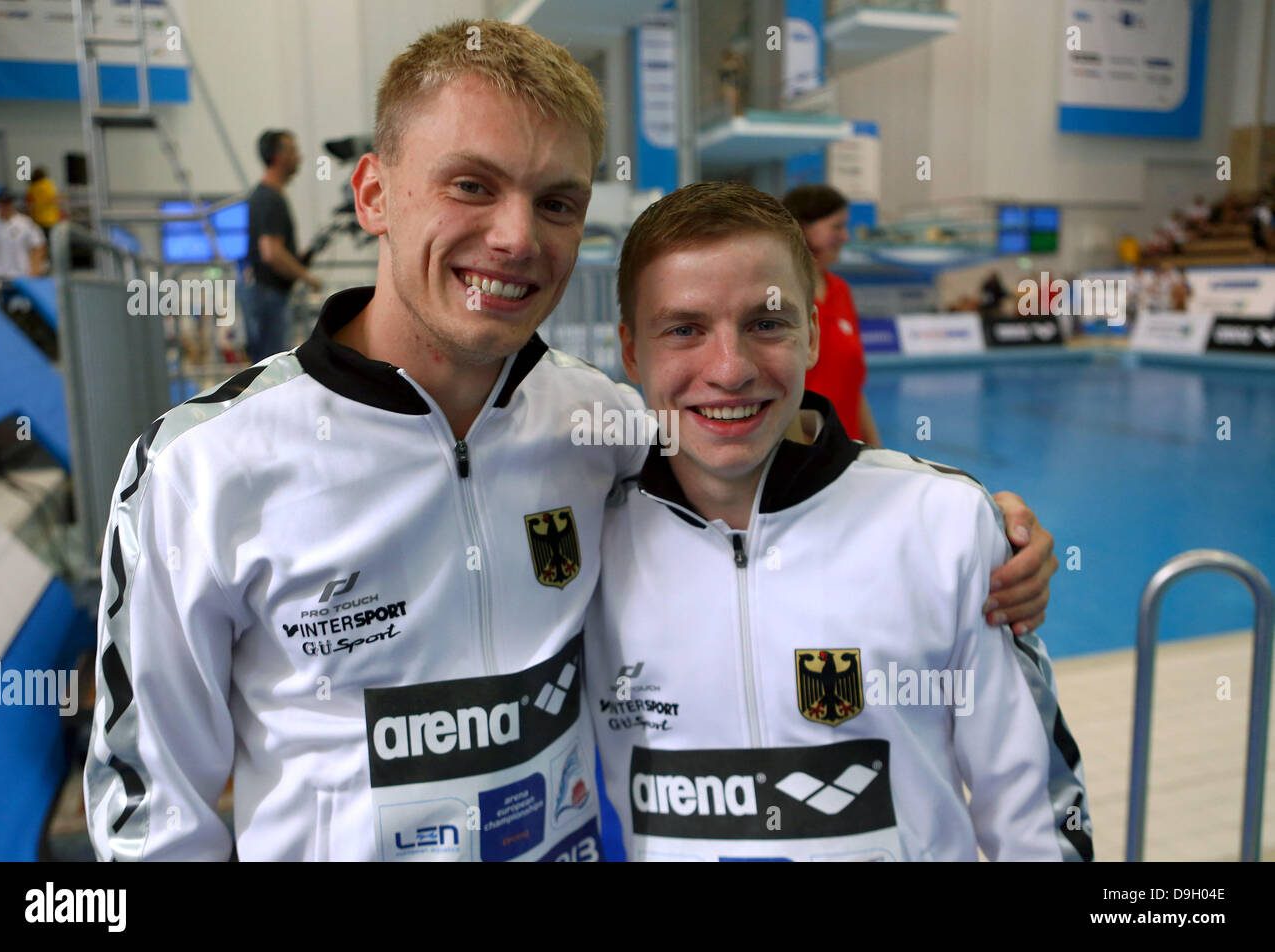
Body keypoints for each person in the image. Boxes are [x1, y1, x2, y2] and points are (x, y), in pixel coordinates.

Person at [84, 20, 1057, 863]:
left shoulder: (601, 425)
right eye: (472, 185)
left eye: (556, 201)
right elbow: (151, 813)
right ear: (374, 193)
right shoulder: (202, 470)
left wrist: (974, 526)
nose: (518, 237)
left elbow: (769, 473)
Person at [588, 182, 1090, 861]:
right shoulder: (589, 538)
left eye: (766, 323)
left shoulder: (944, 527)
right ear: (630, 351)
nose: (730, 370)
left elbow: (1033, 816)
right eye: (684, 330)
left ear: (813, 334)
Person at [782, 184, 880, 446]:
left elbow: (852, 386)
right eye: (836, 227)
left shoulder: (840, 290)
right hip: (801, 452)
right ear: (803, 227)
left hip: (847, 450)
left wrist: (874, 449)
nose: (845, 236)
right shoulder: (780, 295)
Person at [242, 129, 322, 363]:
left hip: (267, 294)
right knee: (270, 366)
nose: (299, 157)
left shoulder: (268, 196)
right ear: (279, 157)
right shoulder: (269, 198)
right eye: (293, 151)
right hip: (269, 296)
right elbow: (271, 252)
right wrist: (307, 276)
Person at [0, 188, 46, 279]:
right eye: (2, 203)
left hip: (22, 276)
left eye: (8, 203)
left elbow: (37, 247)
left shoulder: (26, 223)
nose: (5, 207)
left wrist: (35, 272)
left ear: (12, 203)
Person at [25, 167, 62, 244]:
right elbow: (54, 200)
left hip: (37, 219)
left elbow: (29, 203)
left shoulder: (32, 187)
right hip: (50, 219)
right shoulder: (47, 184)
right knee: (51, 242)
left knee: (40, 241)